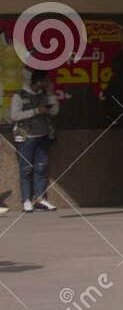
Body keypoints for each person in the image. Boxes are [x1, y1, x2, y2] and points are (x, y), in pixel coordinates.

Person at [9, 70, 60, 212]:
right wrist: (36, 111)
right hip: (25, 137)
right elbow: (14, 116)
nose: (48, 84)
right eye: (46, 81)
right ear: (39, 82)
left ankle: (40, 198)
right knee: (26, 169)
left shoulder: (44, 95)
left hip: (42, 136)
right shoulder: (19, 96)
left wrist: (51, 94)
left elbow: (55, 111)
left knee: (41, 167)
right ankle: (26, 200)